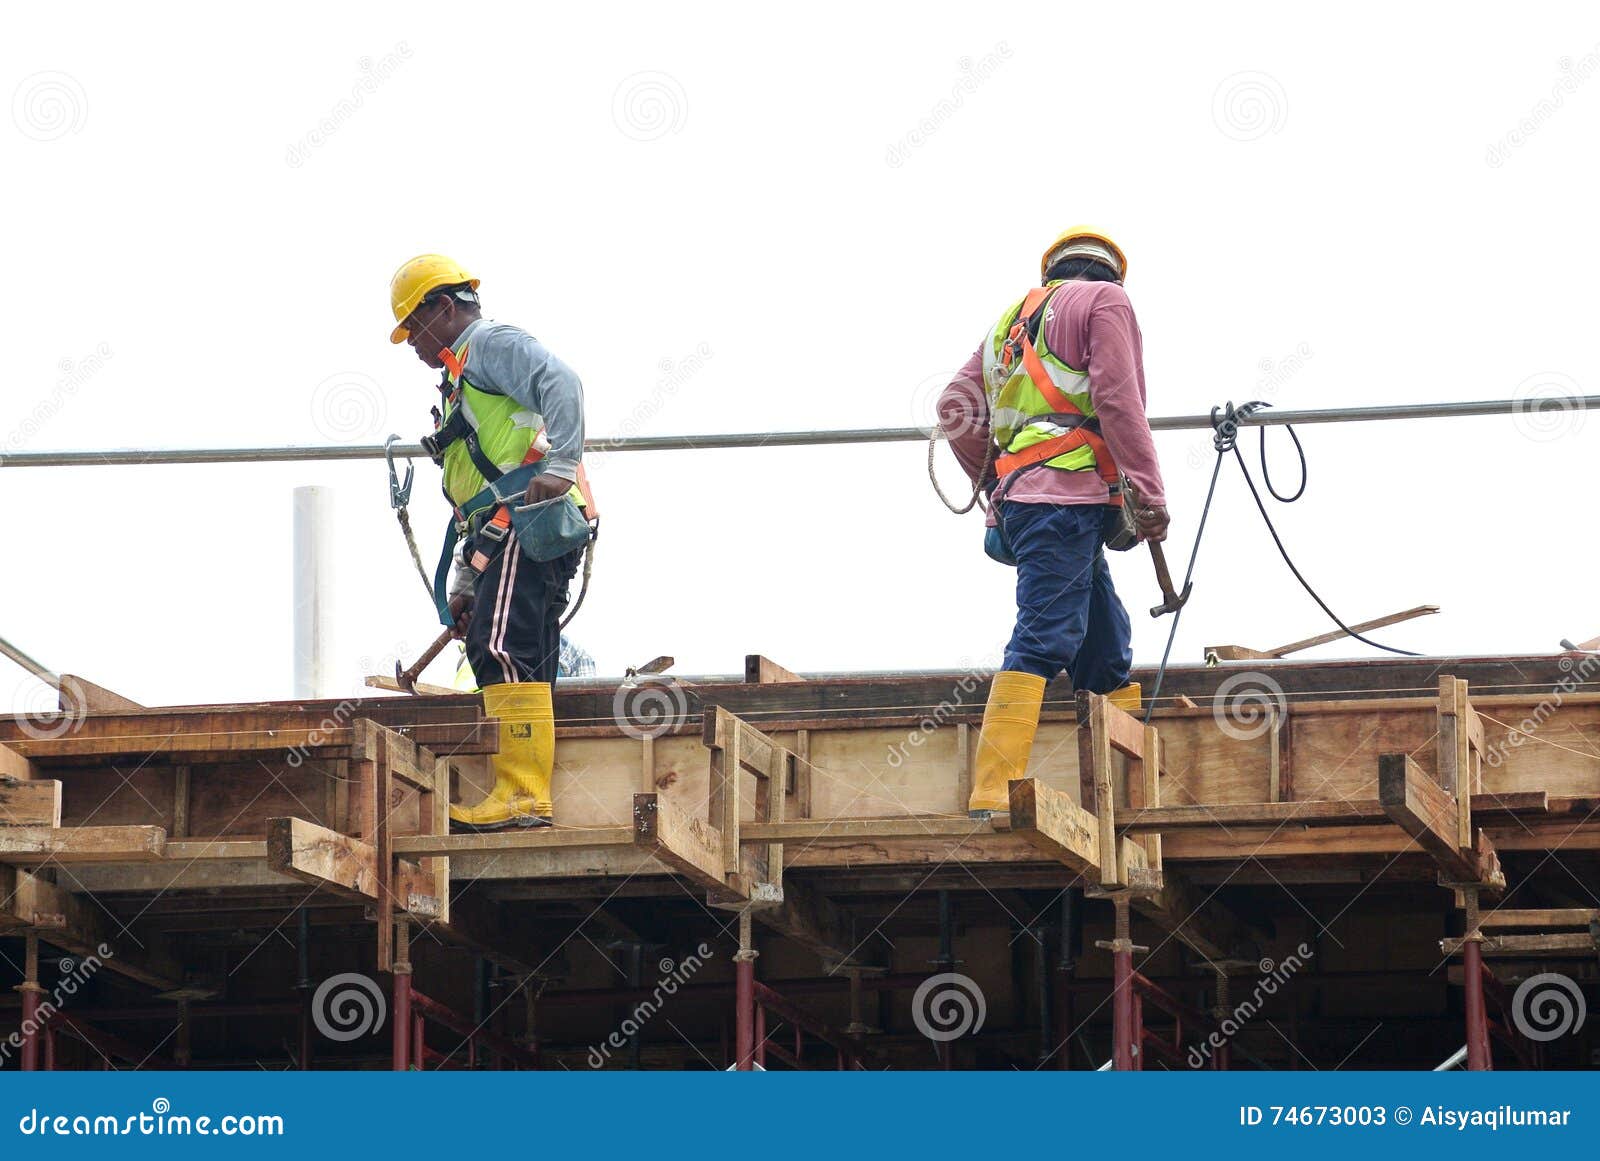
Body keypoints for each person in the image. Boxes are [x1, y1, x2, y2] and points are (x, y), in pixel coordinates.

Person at [937, 227, 1169, 818]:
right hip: (1064, 503)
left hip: (1039, 506)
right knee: (1045, 639)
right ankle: (991, 791)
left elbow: (953, 407)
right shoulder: (1107, 303)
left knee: (1104, 650)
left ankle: (1124, 793)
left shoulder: (1008, 323)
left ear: (1054, 273)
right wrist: (1148, 493)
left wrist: (996, 484)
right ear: (1112, 274)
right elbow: (1119, 399)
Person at [389, 254, 593, 830]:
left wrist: (562, 463)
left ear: (444, 308)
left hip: (530, 521)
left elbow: (563, 381)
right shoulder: (460, 376)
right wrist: (464, 578)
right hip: (508, 529)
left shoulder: (488, 344)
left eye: (414, 330)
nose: (413, 345)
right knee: (518, 646)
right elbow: (473, 496)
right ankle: (525, 796)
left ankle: (523, 797)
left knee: (501, 645)